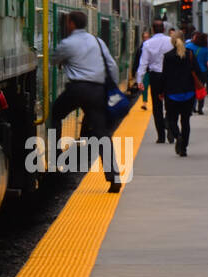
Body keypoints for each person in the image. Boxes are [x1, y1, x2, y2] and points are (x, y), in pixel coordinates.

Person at [50, 10, 121, 189]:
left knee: (55, 114)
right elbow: (111, 65)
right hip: (97, 90)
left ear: (72, 24)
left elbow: (54, 60)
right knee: (102, 132)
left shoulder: (67, 43)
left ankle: (56, 158)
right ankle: (114, 177)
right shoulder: (97, 41)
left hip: (77, 89)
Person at [163, 33, 204, 156]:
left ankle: (178, 136)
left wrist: (161, 91)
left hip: (172, 94)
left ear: (172, 41)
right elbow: (198, 71)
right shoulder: (190, 54)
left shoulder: (168, 56)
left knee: (172, 120)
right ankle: (184, 148)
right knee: (185, 121)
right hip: (188, 93)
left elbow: (164, 76)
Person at [136, 20, 174, 143]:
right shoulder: (171, 41)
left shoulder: (147, 44)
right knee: (171, 103)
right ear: (163, 29)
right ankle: (170, 124)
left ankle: (161, 136)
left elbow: (143, 63)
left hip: (155, 76)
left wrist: (139, 80)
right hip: (169, 76)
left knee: (157, 106)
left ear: (152, 30)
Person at [190, 32, 208, 114]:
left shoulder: (189, 46)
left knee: (192, 89)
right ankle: (200, 108)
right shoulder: (205, 49)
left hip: (191, 72)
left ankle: (192, 107)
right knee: (201, 88)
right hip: (202, 72)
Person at [133, 29, 151, 109]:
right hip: (146, 71)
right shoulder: (140, 49)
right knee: (145, 87)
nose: (146, 39)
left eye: (147, 37)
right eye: (144, 37)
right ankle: (144, 103)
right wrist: (134, 70)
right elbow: (137, 60)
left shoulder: (152, 47)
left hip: (153, 70)